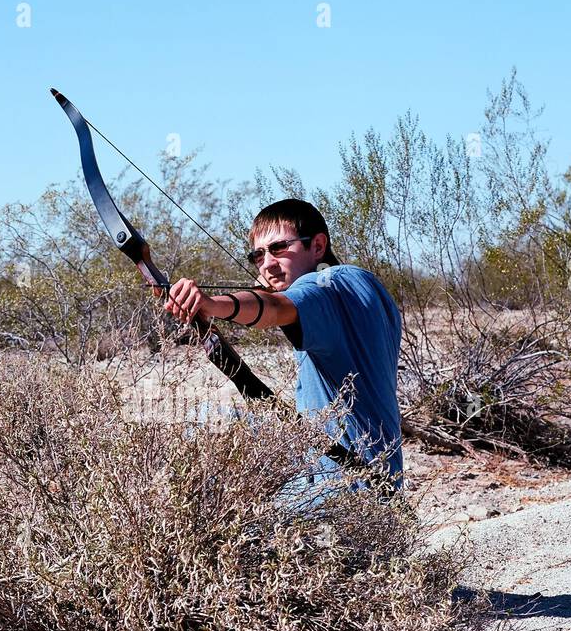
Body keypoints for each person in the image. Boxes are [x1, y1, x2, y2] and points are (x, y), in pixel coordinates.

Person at [160, 198, 404, 488]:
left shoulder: (329, 284)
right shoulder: (357, 287)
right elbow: (279, 304)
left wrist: (211, 305)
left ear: (317, 246)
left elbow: (274, 307)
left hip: (346, 486)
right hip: (363, 477)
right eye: (258, 256)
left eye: (279, 248)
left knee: (202, 420)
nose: (268, 264)